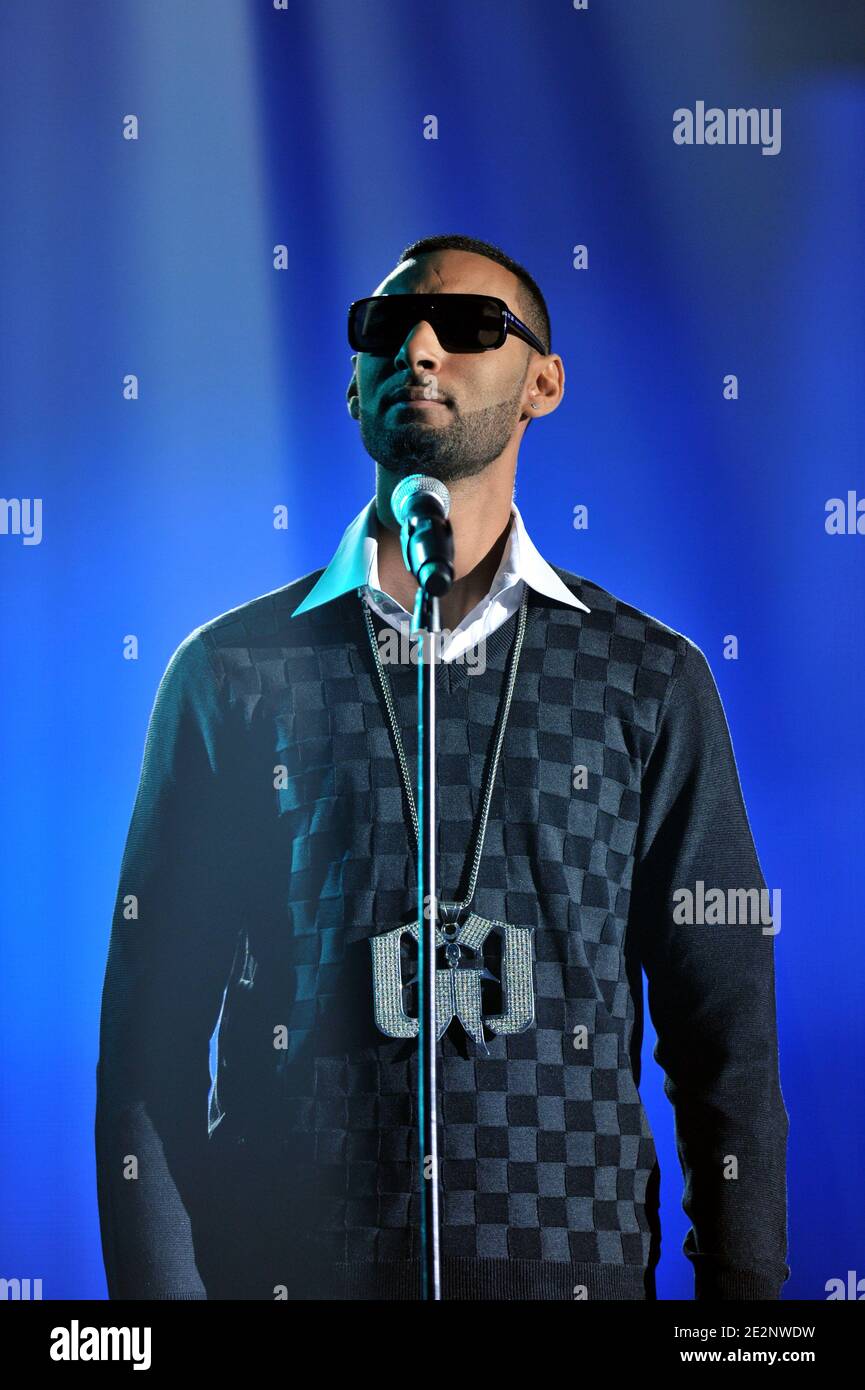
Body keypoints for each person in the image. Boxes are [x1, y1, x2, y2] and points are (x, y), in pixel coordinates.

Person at [95, 233, 790, 1301]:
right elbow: (148, 1048)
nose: (418, 348)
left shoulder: (648, 678)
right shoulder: (230, 673)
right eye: (384, 329)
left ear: (542, 385)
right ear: (352, 382)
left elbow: (725, 1045)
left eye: (469, 327)